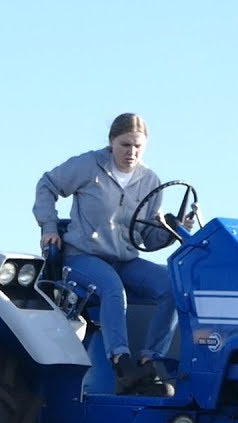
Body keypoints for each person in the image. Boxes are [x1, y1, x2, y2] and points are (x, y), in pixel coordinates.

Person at [33, 113, 179, 397]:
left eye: (138, 146)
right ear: (112, 142)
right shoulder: (89, 166)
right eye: (125, 145)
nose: (131, 152)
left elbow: (147, 237)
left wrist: (173, 230)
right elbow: (47, 184)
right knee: (112, 289)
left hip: (125, 259)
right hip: (82, 256)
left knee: (173, 287)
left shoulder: (150, 181)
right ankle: (121, 364)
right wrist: (49, 226)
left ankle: (150, 362)